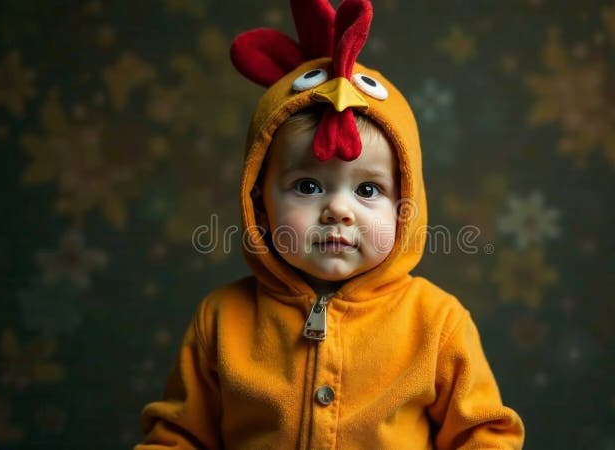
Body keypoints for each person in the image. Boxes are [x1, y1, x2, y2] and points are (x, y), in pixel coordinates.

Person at [135, 0, 525, 448]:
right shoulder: (222, 319)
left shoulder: (437, 323)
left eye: (367, 191)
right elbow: (178, 437)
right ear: (258, 204)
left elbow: (485, 437)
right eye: (306, 186)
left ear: (406, 209)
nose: (338, 210)